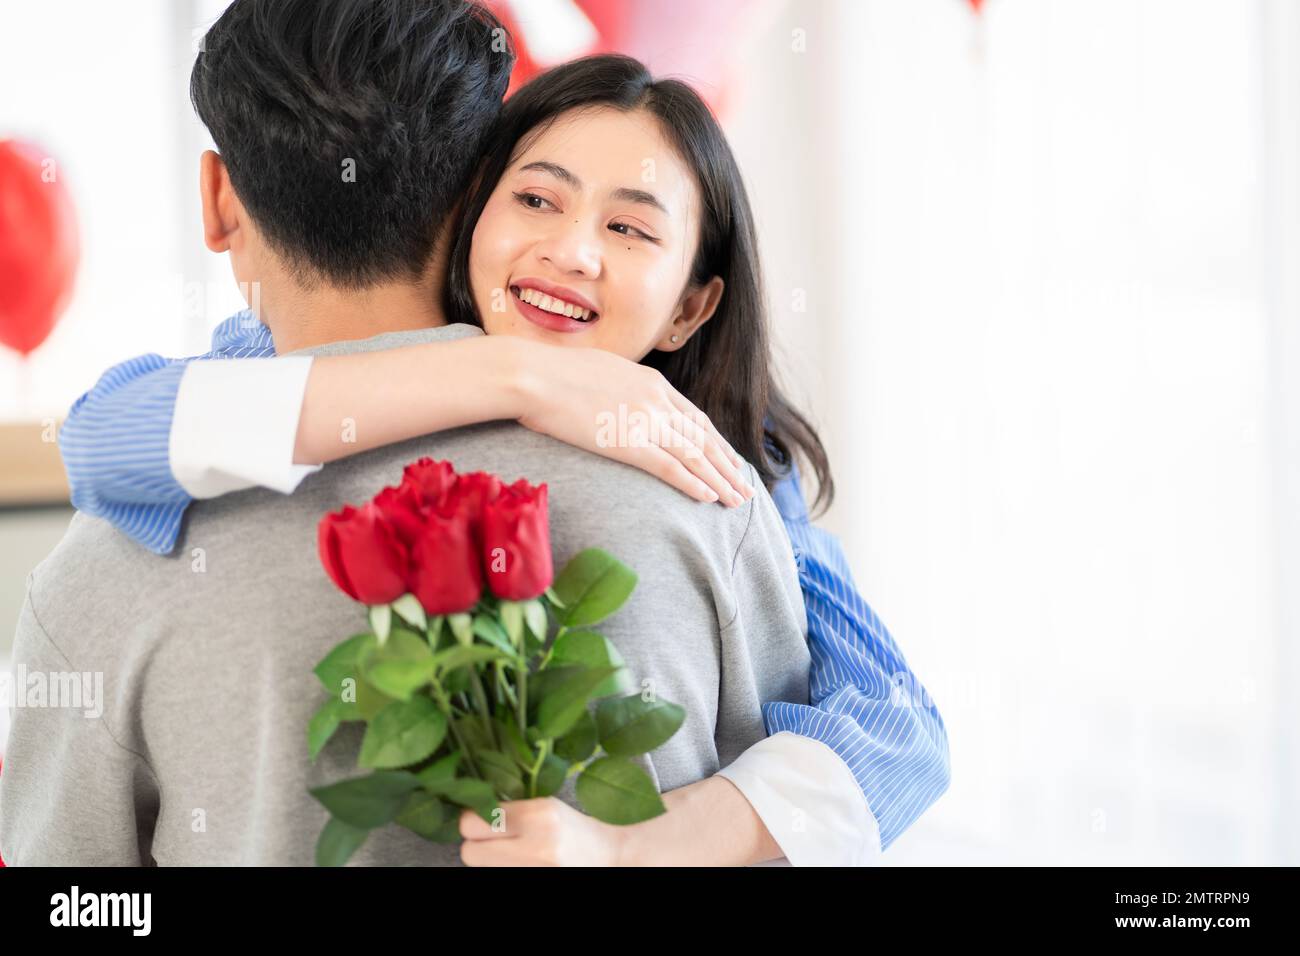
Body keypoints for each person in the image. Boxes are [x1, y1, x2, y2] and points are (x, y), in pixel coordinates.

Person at [36, 0, 949, 860]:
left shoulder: (721, 466)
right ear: (479, 191)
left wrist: (629, 849)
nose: (573, 252)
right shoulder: (709, 508)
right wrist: (516, 375)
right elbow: (109, 434)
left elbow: (899, 731)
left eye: (632, 228)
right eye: (542, 200)